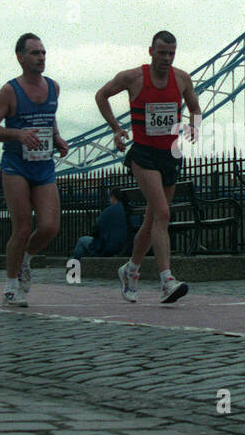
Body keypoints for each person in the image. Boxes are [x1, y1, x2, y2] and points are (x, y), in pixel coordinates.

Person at [95, 30, 200, 304]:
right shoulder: (133, 77)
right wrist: (117, 129)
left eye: (171, 53)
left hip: (170, 155)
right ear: (151, 51)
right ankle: (166, 280)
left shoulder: (182, 78)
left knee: (153, 219)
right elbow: (101, 95)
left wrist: (194, 127)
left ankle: (130, 270)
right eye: (162, 52)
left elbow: (195, 109)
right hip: (143, 154)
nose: (166, 58)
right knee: (163, 214)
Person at [0, 33, 68, 307]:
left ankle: (25, 260)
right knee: (21, 228)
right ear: (20, 57)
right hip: (16, 166)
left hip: (43, 166)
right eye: (34, 53)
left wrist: (57, 138)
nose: (41, 58)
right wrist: (18, 134)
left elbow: (49, 117)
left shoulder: (53, 87)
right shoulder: (9, 91)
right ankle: (10, 286)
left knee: (50, 226)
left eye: (43, 53)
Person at [71, 187, 128, 260]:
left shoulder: (108, 211)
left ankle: (76, 269)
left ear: (113, 197)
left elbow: (96, 230)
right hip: (127, 247)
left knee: (82, 241)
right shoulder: (129, 209)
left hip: (109, 248)